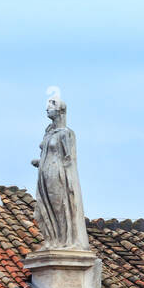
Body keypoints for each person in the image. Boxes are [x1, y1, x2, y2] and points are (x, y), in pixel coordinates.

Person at [32, 95, 89, 250]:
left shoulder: (65, 134)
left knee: (59, 206)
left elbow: (68, 159)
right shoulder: (49, 132)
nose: (47, 108)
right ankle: (51, 240)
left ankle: (64, 241)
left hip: (57, 174)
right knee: (45, 208)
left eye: (51, 106)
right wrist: (40, 162)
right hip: (45, 175)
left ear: (60, 111)